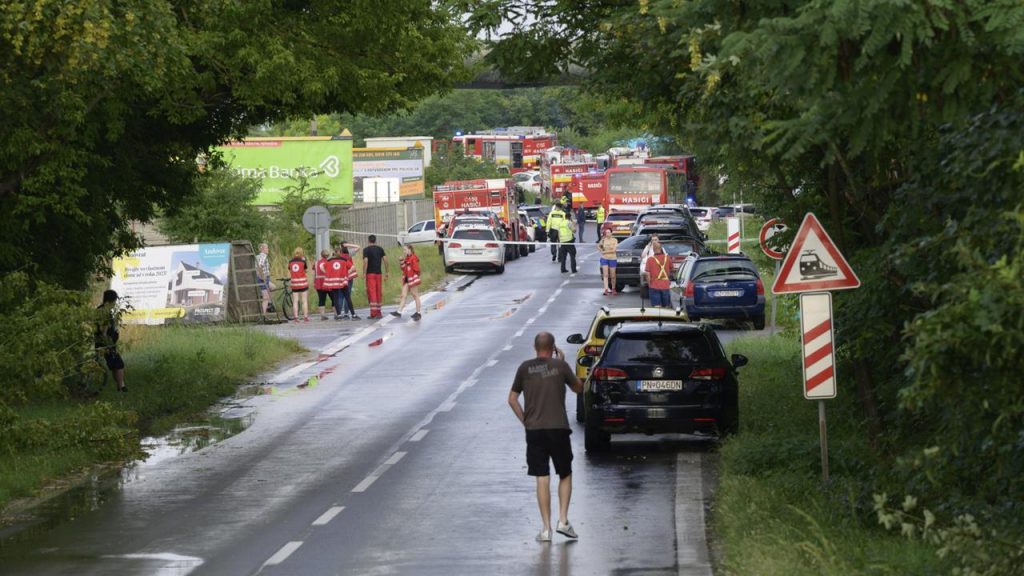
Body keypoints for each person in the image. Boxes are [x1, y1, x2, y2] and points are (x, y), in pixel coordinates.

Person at [507, 332, 583, 543]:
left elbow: (512, 399)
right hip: (558, 428)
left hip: (535, 431)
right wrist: (562, 364)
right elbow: (579, 389)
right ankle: (563, 521)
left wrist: (526, 422)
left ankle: (546, 529)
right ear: (553, 348)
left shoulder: (524, 368)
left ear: (535, 347)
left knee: (542, 477)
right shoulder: (560, 367)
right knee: (565, 473)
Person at [95, 289, 127, 392]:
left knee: (114, 365)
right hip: (106, 344)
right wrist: (108, 345)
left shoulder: (98, 310)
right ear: (110, 301)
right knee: (118, 364)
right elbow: (104, 332)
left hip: (99, 342)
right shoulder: (105, 313)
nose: (114, 304)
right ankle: (121, 388)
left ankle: (120, 386)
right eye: (114, 302)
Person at [391, 244, 422, 321]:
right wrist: (401, 261)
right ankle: (399, 312)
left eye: (405, 250)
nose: (404, 251)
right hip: (406, 279)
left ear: (409, 249)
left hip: (411, 279)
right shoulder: (407, 258)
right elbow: (403, 268)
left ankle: (418, 313)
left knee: (415, 295)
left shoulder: (414, 258)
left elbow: (417, 270)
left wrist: (413, 277)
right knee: (403, 295)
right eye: (403, 250)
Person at [362, 234, 388, 319]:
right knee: (378, 292)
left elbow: (365, 261)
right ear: (375, 240)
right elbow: (385, 259)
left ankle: (373, 313)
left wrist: (364, 273)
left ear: (368, 241)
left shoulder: (366, 250)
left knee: (372, 292)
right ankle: (379, 312)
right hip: (378, 273)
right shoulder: (380, 249)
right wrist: (387, 272)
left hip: (370, 274)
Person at [643, 237, 672, 307]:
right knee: (666, 307)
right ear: (661, 248)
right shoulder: (667, 258)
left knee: (656, 308)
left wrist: (649, 284)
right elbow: (672, 269)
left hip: (654, 285)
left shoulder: (650, 259)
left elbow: (647, 274)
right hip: (665, 285)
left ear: (653, 250)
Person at [323, 249, 348, 319]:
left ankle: (338, 314)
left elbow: (322, 267)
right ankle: (347, 313)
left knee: (336, 298)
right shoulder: (344, 260)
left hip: (332, 282)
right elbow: (351, 267)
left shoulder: (329, 261)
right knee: (345, 297)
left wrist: (327, 273)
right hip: (342, 281)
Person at [288, 247, 310, 322]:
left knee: (295, 301)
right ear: (301, 253)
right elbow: (306, 270)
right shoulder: (303, 261)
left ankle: (296, 318)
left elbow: (290, 270)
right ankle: (305, 317)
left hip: (294, 283)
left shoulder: (290, 262)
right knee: (304, 300)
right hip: (303, 283)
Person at [339, 244, 360, 320]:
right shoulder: (349, 254)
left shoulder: (339, 256)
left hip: (341, 277)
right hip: (349, 276)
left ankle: (339, 314)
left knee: (340, 296)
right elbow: (358, 247)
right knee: (348, 295)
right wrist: (348, 244)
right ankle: (346, 313)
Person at [598, 228, 619, 295]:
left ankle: (613, 288)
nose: (607, 234)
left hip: (612, 258)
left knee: (613, 275)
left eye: (609, 232)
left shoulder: (615, 240)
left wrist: (605, 252)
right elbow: (598, 246)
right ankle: (606, 289)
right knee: (605, 275)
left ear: (611, 233)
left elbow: (614, 250)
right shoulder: (603, 240)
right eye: (606, 232)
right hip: (604, 258)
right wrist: (601, 251)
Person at [314, 249, 334, 320]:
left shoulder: (316, 263)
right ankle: (336, 314)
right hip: (327, 283)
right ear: (328, 255)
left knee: (321, 299)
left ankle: (322, 315)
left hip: (319, 283)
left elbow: (314, 269)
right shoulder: (329, 262)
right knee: (333, 298)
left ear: (321, 255)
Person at [255, 242, 271, 314]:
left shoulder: (258, 256)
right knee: (266, 297)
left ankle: (269, 305)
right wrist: (262, 277)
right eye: (267, 248)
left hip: (263, 278)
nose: (268, 249)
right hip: (263, 278)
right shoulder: (263, 256)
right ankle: (263, 315)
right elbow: (260, 266)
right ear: (262, 249)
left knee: (273, 287)